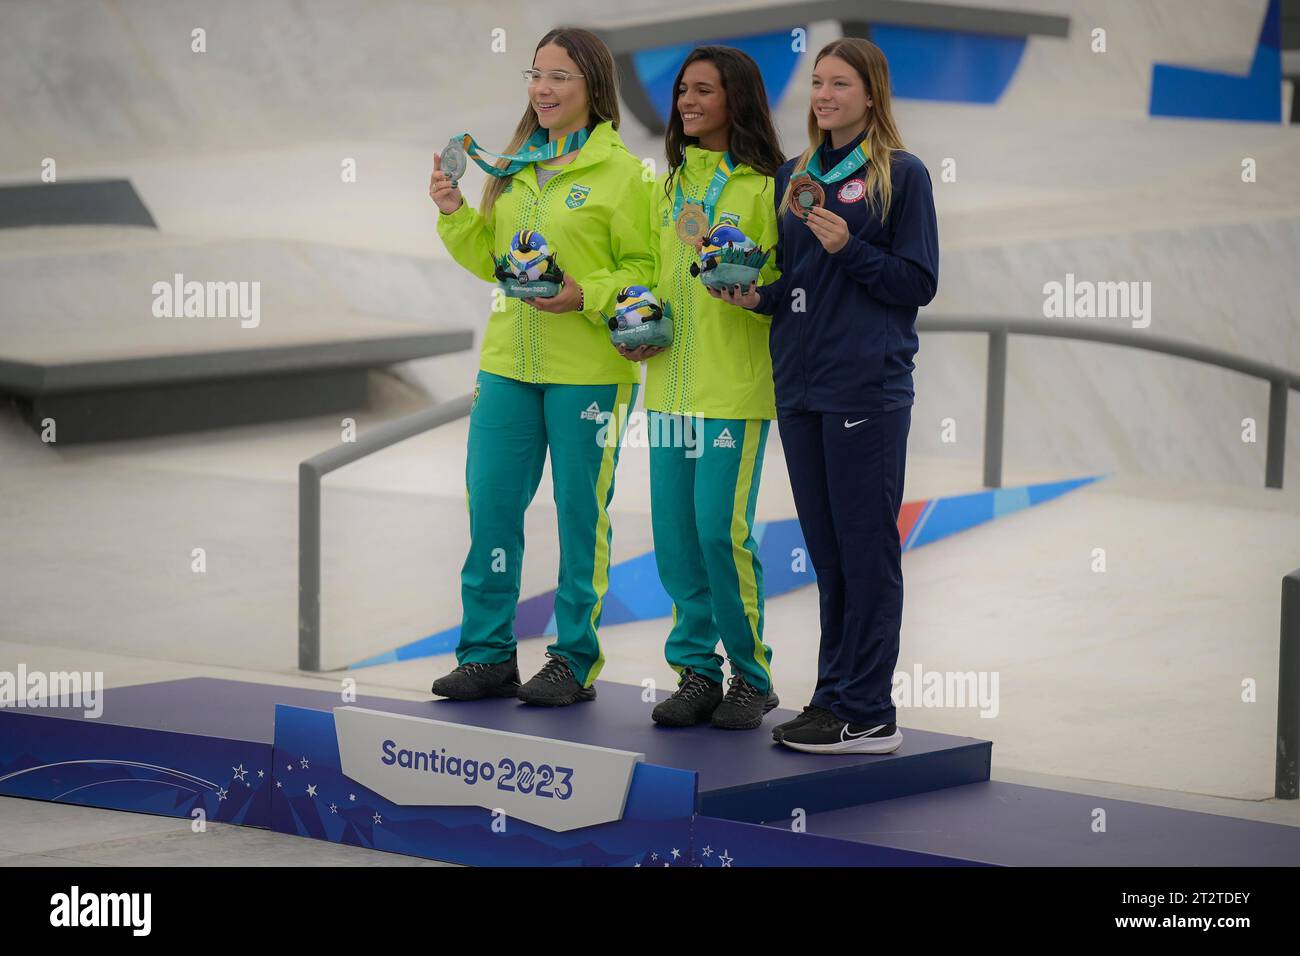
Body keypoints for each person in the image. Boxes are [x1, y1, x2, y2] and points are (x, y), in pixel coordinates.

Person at [716, 37, 938, 753]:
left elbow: (917, 283)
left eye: (840, 84)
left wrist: (855, 249)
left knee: (867, 549)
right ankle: (831, 696)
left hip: (865, 386)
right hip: (802, 384)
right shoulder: (796, 173)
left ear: (872, 95)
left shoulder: (901, 176)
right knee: (830, 554)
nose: (824, 95)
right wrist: (757, 294)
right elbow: (801, 280)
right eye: (817, 83)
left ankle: (869, 709)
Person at [427, 27, 654, 706]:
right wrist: (453, 212)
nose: (543, 89)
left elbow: (645, 272)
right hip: (506, 366)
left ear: (593, 87)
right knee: (491, 509)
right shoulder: (516, 164)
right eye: (536, 74)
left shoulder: (624, 172)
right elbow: (495, 263)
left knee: (580, 515)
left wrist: (589, 295)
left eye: (560, 77)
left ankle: (573, 658)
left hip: (589, 370)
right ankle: (488, 653)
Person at [618, 46, 786, 730]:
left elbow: (785, 284)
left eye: (703, 91)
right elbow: (655, 279)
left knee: (722, 533)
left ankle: (753, 678)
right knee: (677, 539)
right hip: (667, 389)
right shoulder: (668, 186)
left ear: (735, 100)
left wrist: (758, 294)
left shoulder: (767, 187)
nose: (687, 101)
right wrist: (632, 319)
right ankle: (695, 672)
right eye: (683, 90)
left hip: (734, 391)